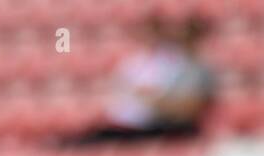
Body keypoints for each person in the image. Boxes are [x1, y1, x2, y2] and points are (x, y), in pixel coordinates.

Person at [65, 17, 213, 144]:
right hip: (140, 124)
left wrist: (154, 100)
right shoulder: (136, 63)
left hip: (160, 126)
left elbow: (187, 108)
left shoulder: (184, 66)